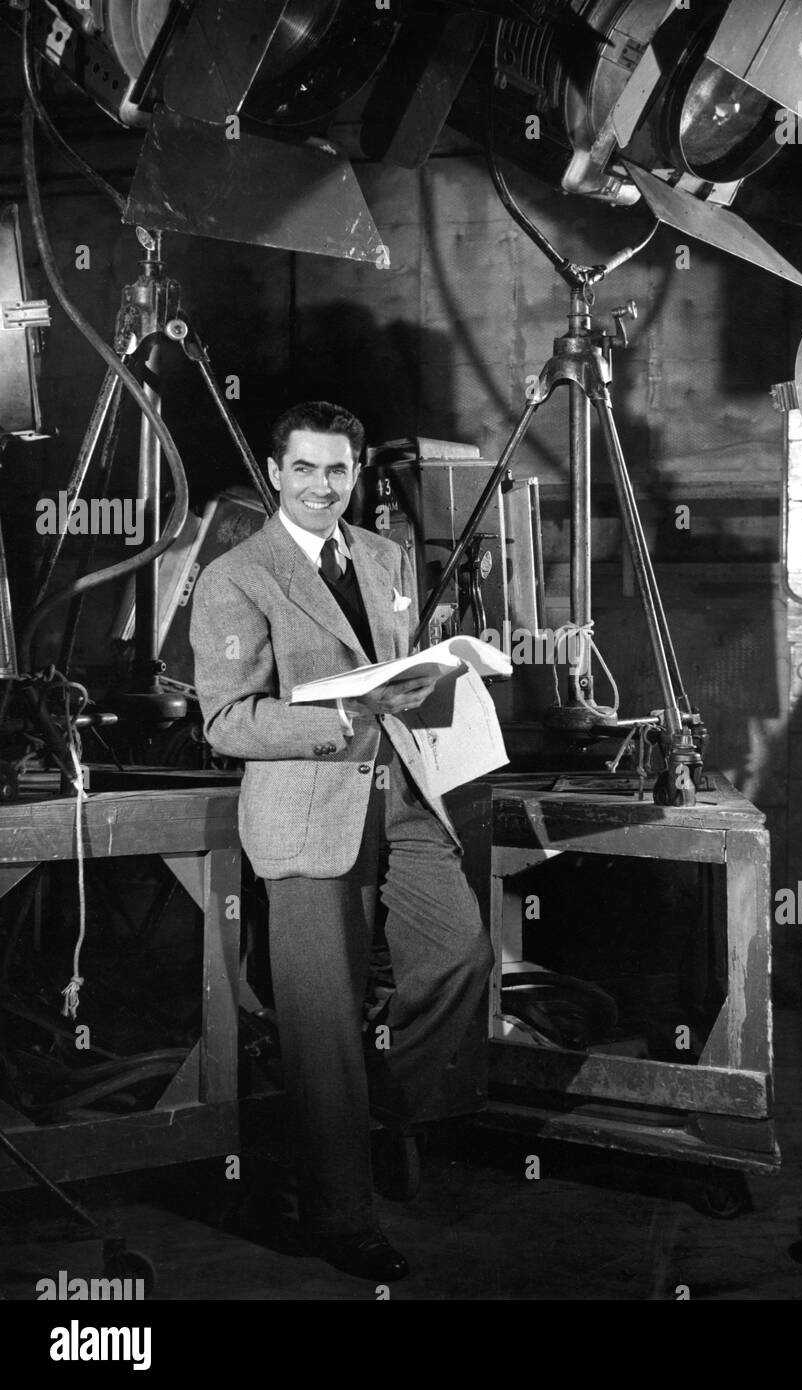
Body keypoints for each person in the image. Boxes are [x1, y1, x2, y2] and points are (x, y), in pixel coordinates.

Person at [190, 400, 493, 1282]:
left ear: (357, 474)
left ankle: (376, 1115)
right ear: (275, 473)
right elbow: (228, 722)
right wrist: (348, 714)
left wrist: (443, 676)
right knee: (321, 1027)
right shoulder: (236, 576)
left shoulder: (384, 556)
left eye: (337, 470)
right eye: (305, 469)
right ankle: (341, 1217)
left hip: (401, 797)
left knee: (461, 956)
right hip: (307, 813)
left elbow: (394, 674)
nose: (322, 487)